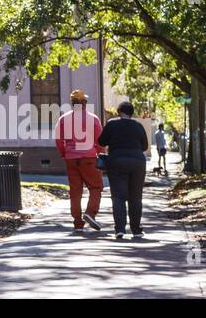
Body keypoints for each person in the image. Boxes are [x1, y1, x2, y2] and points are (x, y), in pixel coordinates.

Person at [97, 101, 150, 239]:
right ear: (132, 113)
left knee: (118, 197)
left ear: (119, 111)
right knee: (136, 197)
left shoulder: (112, 124)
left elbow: (101, 141)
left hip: (117, 161)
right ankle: (136, 229)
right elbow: (144, 146)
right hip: (138, 162)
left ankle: (120, 229)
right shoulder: (138, 126)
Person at [54, 89, 103, 233]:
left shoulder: (63, 119)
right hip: (88, 157)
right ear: (83, 103)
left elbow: (58, 140)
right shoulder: (93, 118)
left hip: (71, 158)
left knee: (75, 191)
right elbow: (100, 140)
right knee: (95, 187)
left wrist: (65, 154)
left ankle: (77, 222)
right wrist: (98, 151)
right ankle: (90, 213)